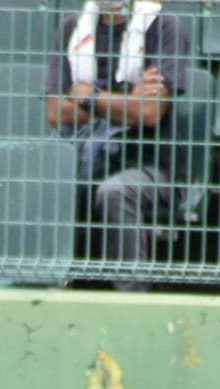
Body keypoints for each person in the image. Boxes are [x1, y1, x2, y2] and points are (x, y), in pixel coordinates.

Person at [42, 0, 194, 286]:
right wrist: (128, 100)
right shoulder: (72, 29)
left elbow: (149, 113)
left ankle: (130, 298)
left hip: (151, 164)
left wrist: (87, 96)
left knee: (115, 191)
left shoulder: (163, 26)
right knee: (43, 180)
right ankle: (45, 289)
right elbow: (55, 113)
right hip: (84, 157)